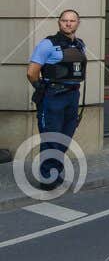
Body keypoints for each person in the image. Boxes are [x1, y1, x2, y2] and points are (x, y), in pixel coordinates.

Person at [25, 10, 88, 191]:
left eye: (72, 21)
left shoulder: (80, 45)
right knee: (51, 137)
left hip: (72, 95)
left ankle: (55, 172)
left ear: (78, 23)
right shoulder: (47, 44)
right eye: (64, 21)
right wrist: (42, 89)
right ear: (59, 23)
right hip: (53, 96)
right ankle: (46, 178)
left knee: (65, 137)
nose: (68, 24)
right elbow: (32, 72)